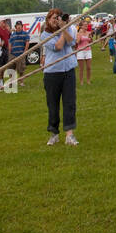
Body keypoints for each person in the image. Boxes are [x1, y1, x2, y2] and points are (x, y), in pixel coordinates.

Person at [42, 9, 78, 146]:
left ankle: (69, 134)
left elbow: (71, 42)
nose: (56, 20)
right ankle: (54, 133)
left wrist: (63, 28)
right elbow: (57, 47)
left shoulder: (66, 30)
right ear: (48, 20)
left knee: (70, 102)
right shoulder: (44, 34)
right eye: (53, 18)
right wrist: (63, 29)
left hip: (68, 70)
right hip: (52, 72)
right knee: (53, 104)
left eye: (58, 17)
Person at [76, 18, 93, 84]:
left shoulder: (88, 32)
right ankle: (81, 81)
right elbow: (77, 42)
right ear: (81, 26)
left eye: (87, 25)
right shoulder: (79, 33)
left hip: (88, 50)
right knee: (81, 68)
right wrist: (79, 35)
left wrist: (90, 37)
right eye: (85, 25)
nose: (86, 26)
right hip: (80, 51)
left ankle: (88, 80)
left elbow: (91, 41)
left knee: (88, 67)